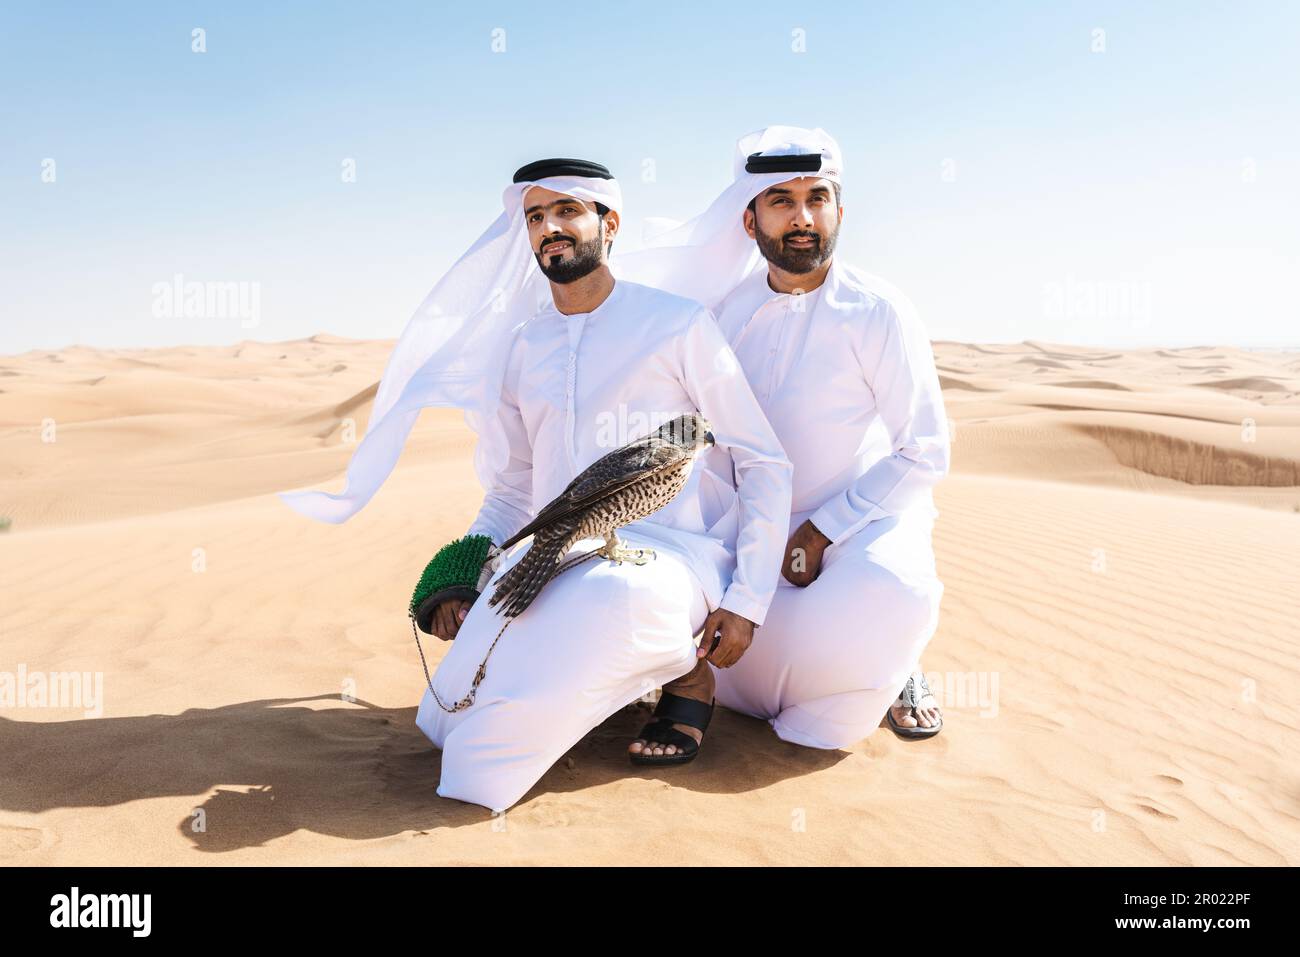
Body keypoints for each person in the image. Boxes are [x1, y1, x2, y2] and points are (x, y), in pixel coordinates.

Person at [281, 158, 792, 811]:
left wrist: (747, 599)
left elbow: (763, 460)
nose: (551, 228)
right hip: (552, 554)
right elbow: (515, 487)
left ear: (609, 223)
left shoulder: (677, 324)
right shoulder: (523, 347)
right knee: (447, 720)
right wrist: (465, 569)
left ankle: (686, 678)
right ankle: (594, 689)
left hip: (672, 556)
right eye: (536, 216)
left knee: (494, 746)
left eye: (568, 211)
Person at [618, 128, 948, 755]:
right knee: (679, 616)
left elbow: (925, 450)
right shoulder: (720, 315)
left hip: (860, 515)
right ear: (749, 221)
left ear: (839, 212)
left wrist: (824, 529)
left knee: (892, 594)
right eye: (781, 201)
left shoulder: (879, 310)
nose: (803, 218)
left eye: (817, 198)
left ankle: (898, 668)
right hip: (752, 519)